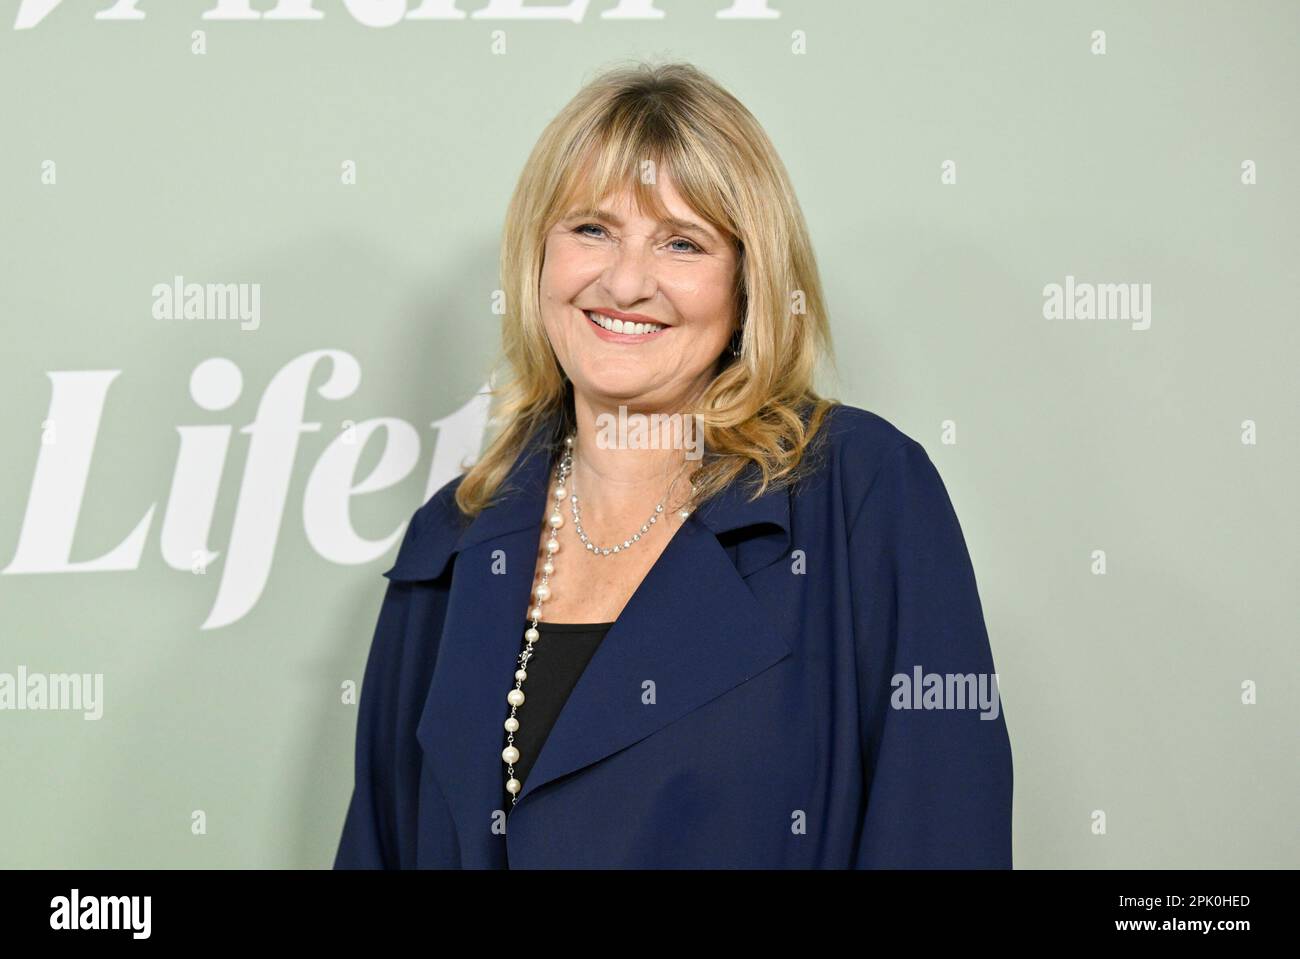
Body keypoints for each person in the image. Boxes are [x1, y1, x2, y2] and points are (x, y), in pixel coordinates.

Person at [334, 60, 1012, 869]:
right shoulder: (456, 536)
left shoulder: (860, 497)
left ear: (747, 283)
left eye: (681, 242)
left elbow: (940, 833)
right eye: (591, 228)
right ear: (537, 258)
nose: (625, 281)